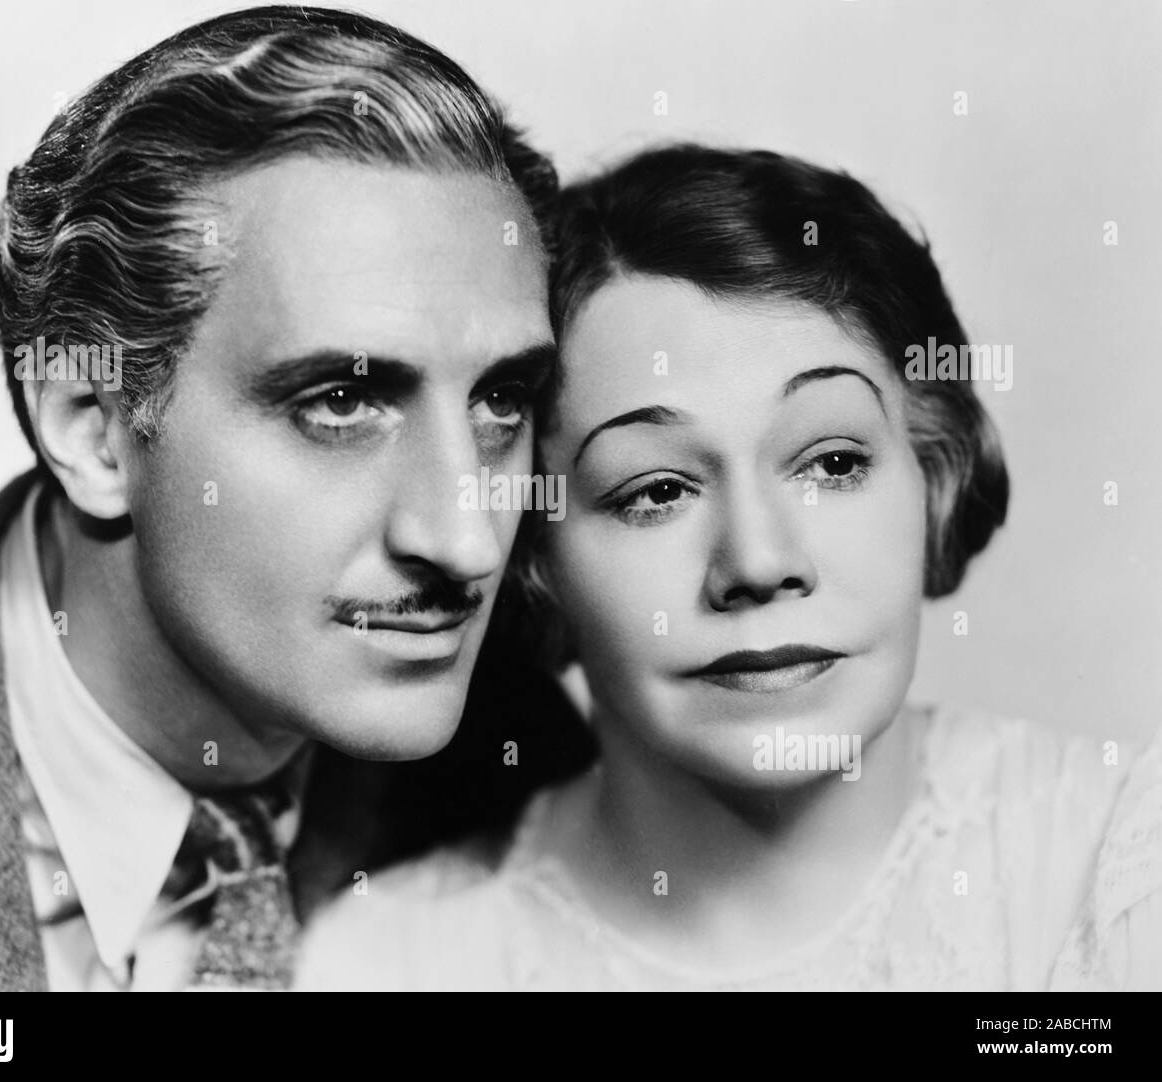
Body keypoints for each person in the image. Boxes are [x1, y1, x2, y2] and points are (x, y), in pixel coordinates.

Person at [294, 144, 1162, 991]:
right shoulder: (389, 964)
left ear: (933, 476)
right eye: (656, 490)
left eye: (832, 463)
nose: (758, 562)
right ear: (532, 554)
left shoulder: (1122, 861)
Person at [0, 4, 583, 991]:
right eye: (342, 401)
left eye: (502, 398)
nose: (465, 538)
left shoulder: (528, 762)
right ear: (92, 427)